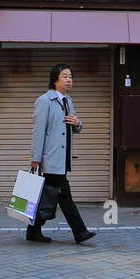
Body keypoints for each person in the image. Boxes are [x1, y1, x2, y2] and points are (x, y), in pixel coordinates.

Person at [26, 63, 96, 245]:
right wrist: (35, 158)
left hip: (61, 159)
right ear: (55, 80)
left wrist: (77, 122)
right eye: (65, 76)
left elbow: (75, 127)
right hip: (50, 159)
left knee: (49, 196)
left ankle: (33, 231)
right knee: (63, 196)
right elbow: (38, 131)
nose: (69, 80)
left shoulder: (68, 101)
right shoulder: (44, 101)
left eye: (71, 76)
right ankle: (80, 232)